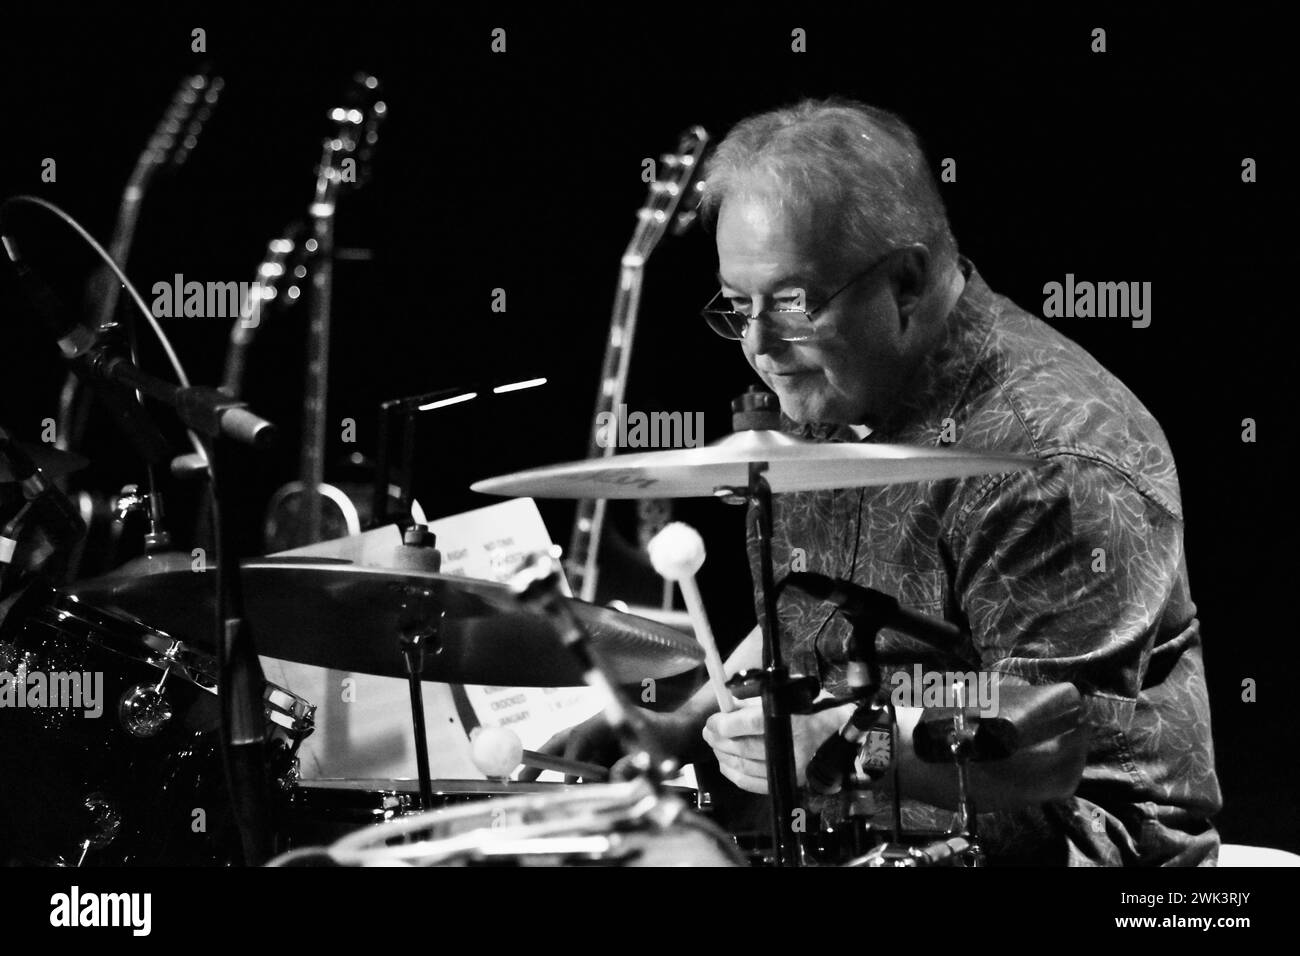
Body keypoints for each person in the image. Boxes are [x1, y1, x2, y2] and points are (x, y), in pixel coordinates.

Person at [531, 98, 1221, 866]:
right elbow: (804, 622)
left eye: (793, 302)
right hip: (865, 828)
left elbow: (1038, 737)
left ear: (907, 280)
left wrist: (848, 741)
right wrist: (681, 728)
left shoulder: (1054, 456)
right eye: (736, 306)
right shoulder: (832, 389)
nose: (759, 346)